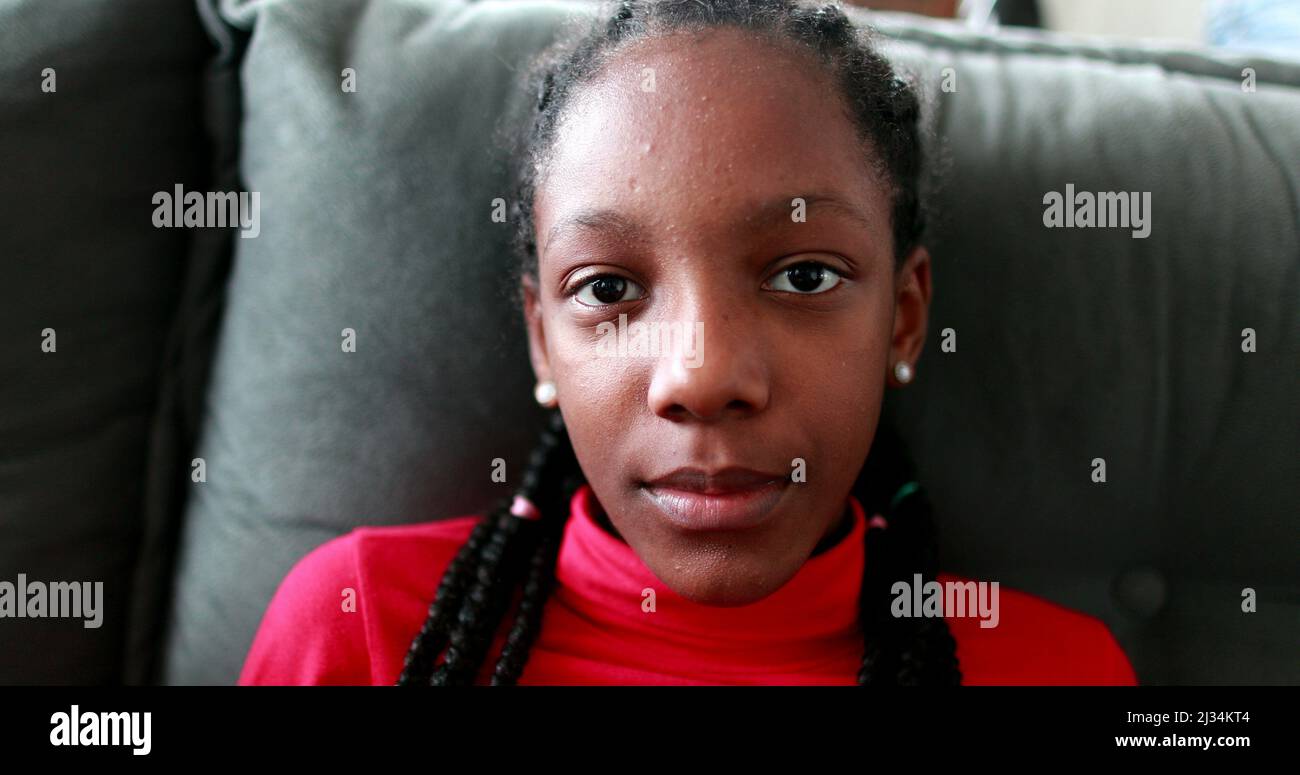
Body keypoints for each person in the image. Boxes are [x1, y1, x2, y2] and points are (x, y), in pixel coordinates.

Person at [239, 0, 1138, 686]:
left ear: (902, 319)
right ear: (543, 344)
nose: (702, 377)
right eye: (609, 289)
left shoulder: (1057, 669)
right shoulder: (358, 627)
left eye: (805, 277)